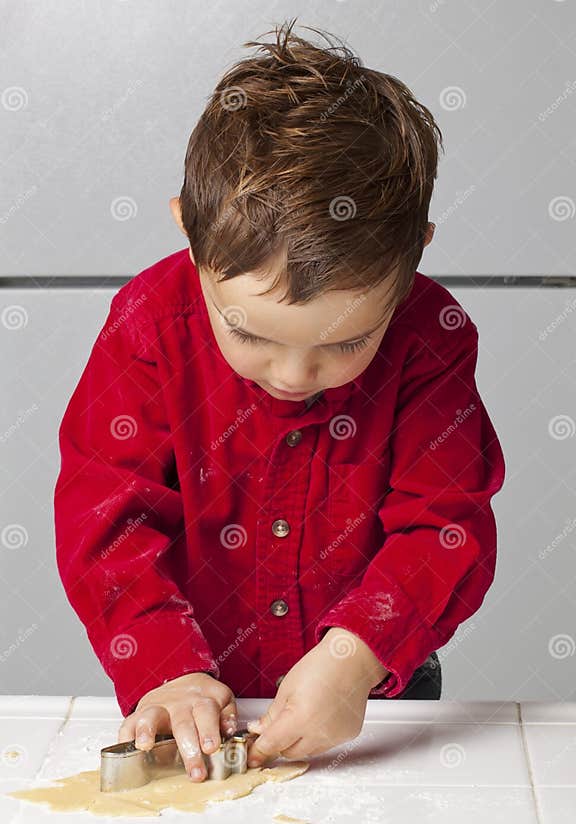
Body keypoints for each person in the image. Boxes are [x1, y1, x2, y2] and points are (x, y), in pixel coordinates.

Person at [54, 20, 505, 782]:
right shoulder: (147, 325)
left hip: (372, 682)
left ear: (414, 256)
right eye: (249, 333)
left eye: (345, 341)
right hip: (188, 685)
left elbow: (446, 523)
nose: (295, 374)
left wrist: (355, 655)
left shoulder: (433, 336)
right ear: (191, 238)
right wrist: (164, 663)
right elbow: (108, 515)